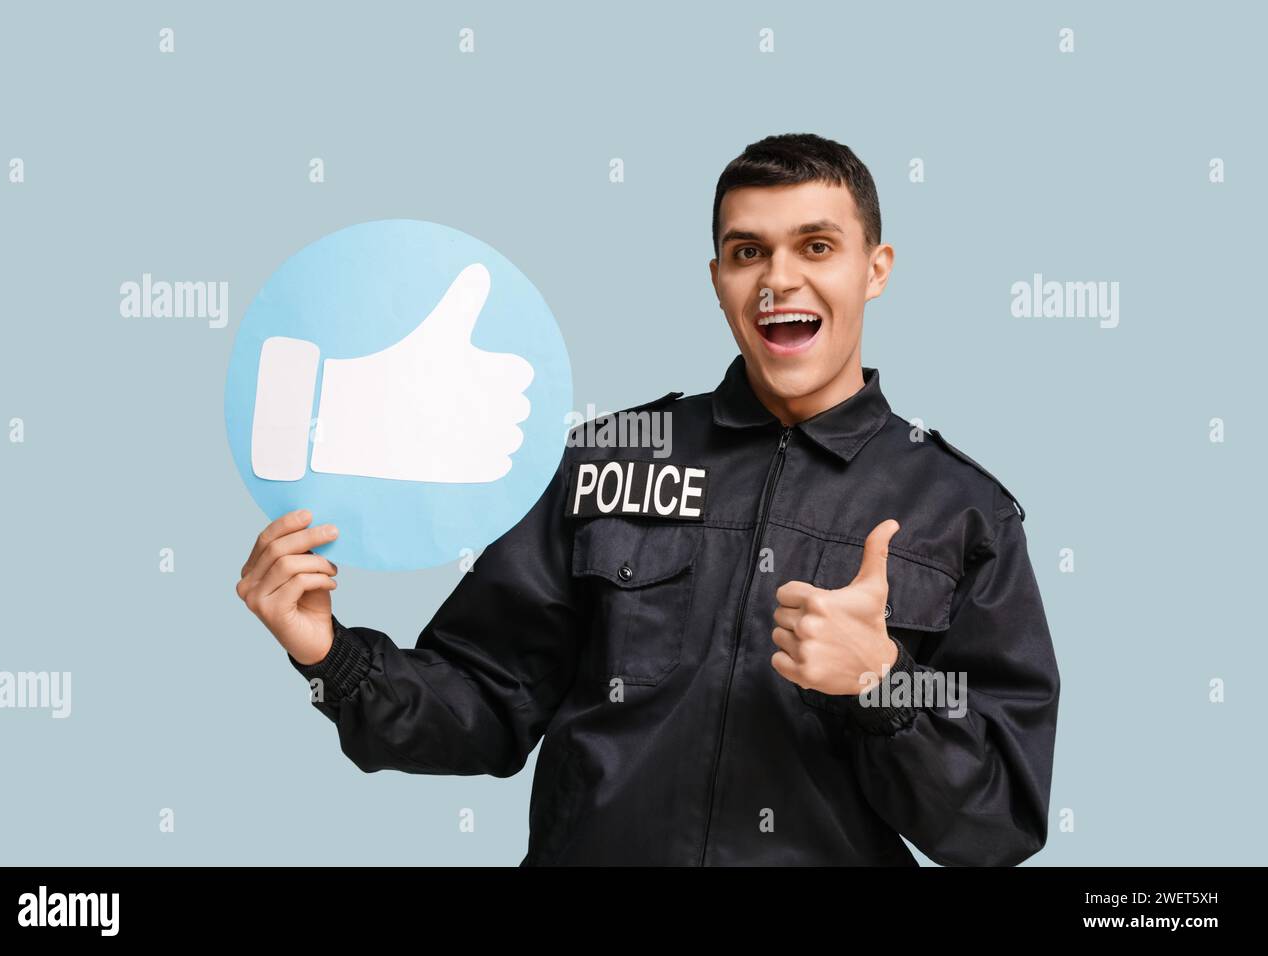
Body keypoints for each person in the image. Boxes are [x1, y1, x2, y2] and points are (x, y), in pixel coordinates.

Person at [236, 132, 1061, 866]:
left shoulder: (962, 512)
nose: (779, 279)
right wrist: (330, 655)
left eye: (816, 246)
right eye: (748, 252)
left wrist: (885, 684)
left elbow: (995, 828)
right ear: (716, 278)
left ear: (874, 269)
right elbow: (486, 700)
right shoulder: (610, 457)